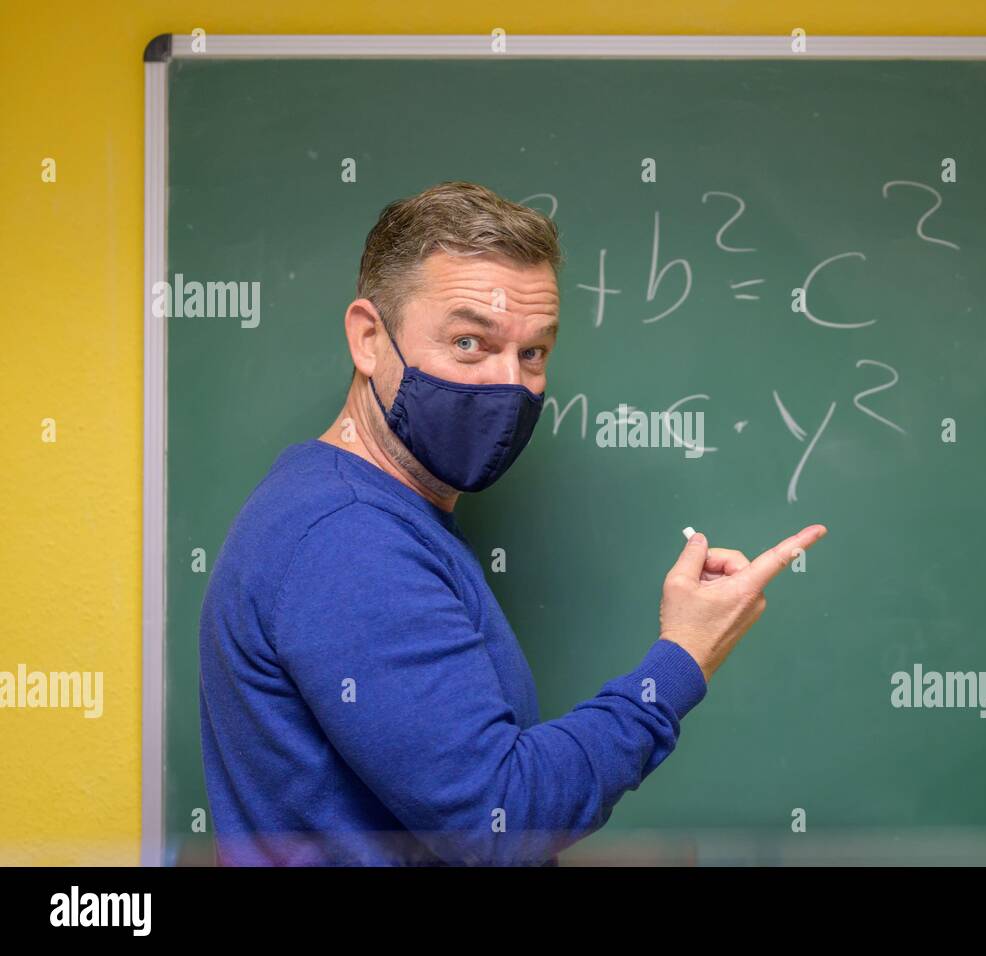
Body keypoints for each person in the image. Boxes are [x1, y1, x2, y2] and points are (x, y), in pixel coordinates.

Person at [198, 180, 826, 865]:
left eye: (532, 354)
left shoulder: (369, 510)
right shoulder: (349, 540)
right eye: (470, 342)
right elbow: (497, 816)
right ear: (370, 338)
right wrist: (681, 659)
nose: (507, 384)